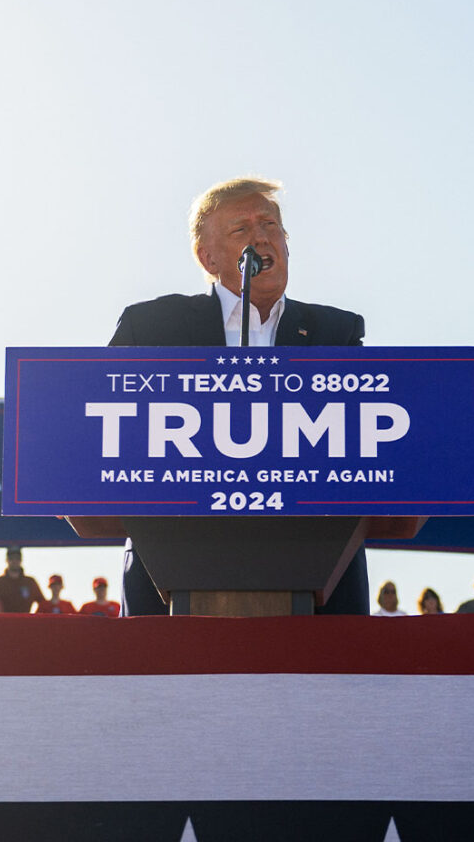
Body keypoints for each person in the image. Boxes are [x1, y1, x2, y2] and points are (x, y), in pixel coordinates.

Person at [109, 176, 369, 617]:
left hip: (320, 573)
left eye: (270, 224)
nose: (262, 237)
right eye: (241, 229)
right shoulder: (152, 327)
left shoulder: (335, 332)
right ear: (207, 257)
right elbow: (101, 422)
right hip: (171, 567)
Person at [0, 547, 47, 613]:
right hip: (2, 619)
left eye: (17, 558)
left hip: (25, 619)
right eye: (11, 558)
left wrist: (34, 617)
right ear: (6, 560)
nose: (14, 561)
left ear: (21, 560)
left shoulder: (30, 582)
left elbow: (43, 604)